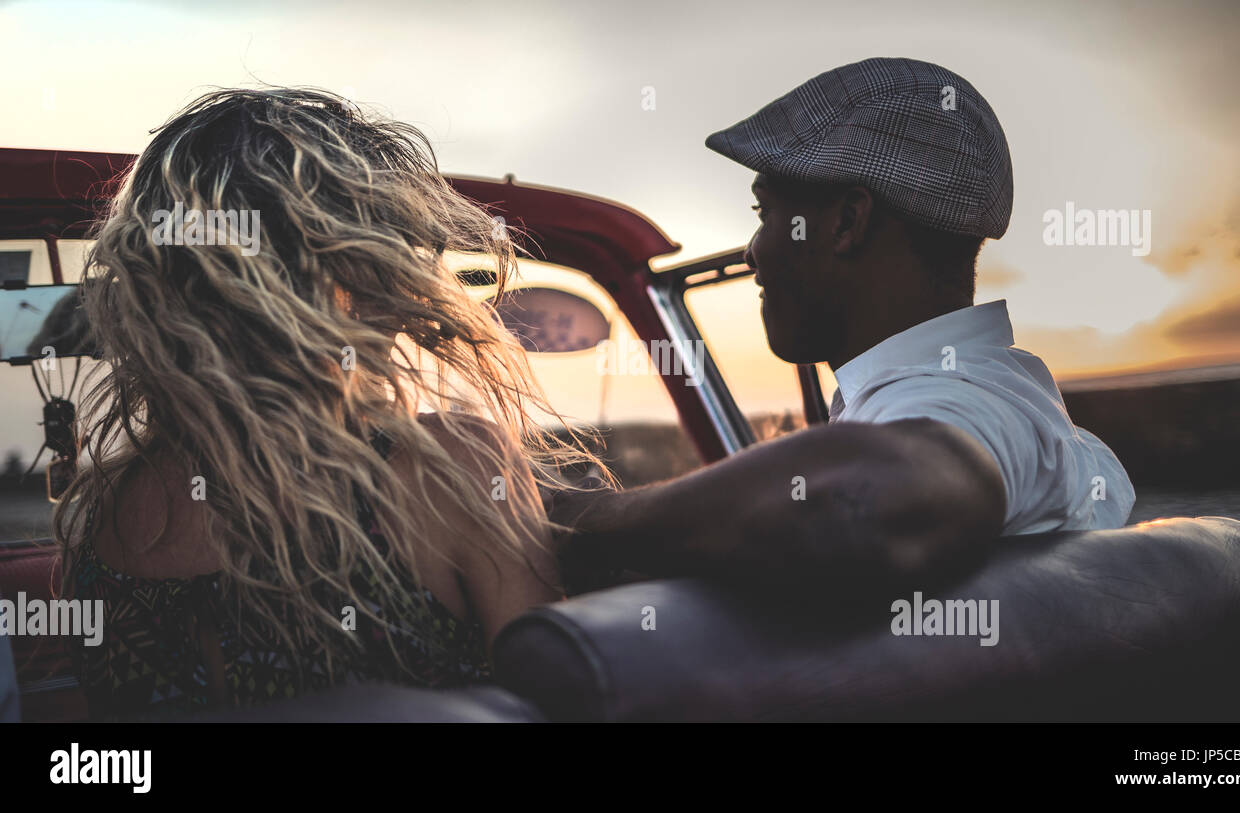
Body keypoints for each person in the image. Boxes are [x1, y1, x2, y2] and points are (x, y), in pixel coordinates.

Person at [54, 88, 602, 720]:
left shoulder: (99, 517)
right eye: (385, 257)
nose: (402, 302)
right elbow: (565, 705)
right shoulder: (450, 468)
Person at [553, 58, 1134, 584]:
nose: (753, 250)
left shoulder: (957, 401)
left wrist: (575, 515)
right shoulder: (1012, 398)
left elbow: (869, 497)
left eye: (767, 212)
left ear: (847, 222)